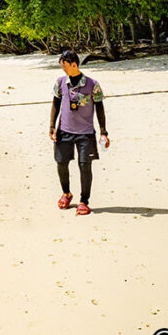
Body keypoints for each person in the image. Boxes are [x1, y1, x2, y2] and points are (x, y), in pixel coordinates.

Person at [48, 50, 110, 215]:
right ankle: (66, 193)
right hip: (64, 131)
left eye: (65, 65)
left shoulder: (92, 84)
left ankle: (84, 201)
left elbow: (99, 108)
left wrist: (104, 132)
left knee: (84, 166)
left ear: (74, 64)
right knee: (61, 163)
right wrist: (52, 126)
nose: (63, 69)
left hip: (85, 133)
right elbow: (55, 104)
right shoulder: (60, 82)